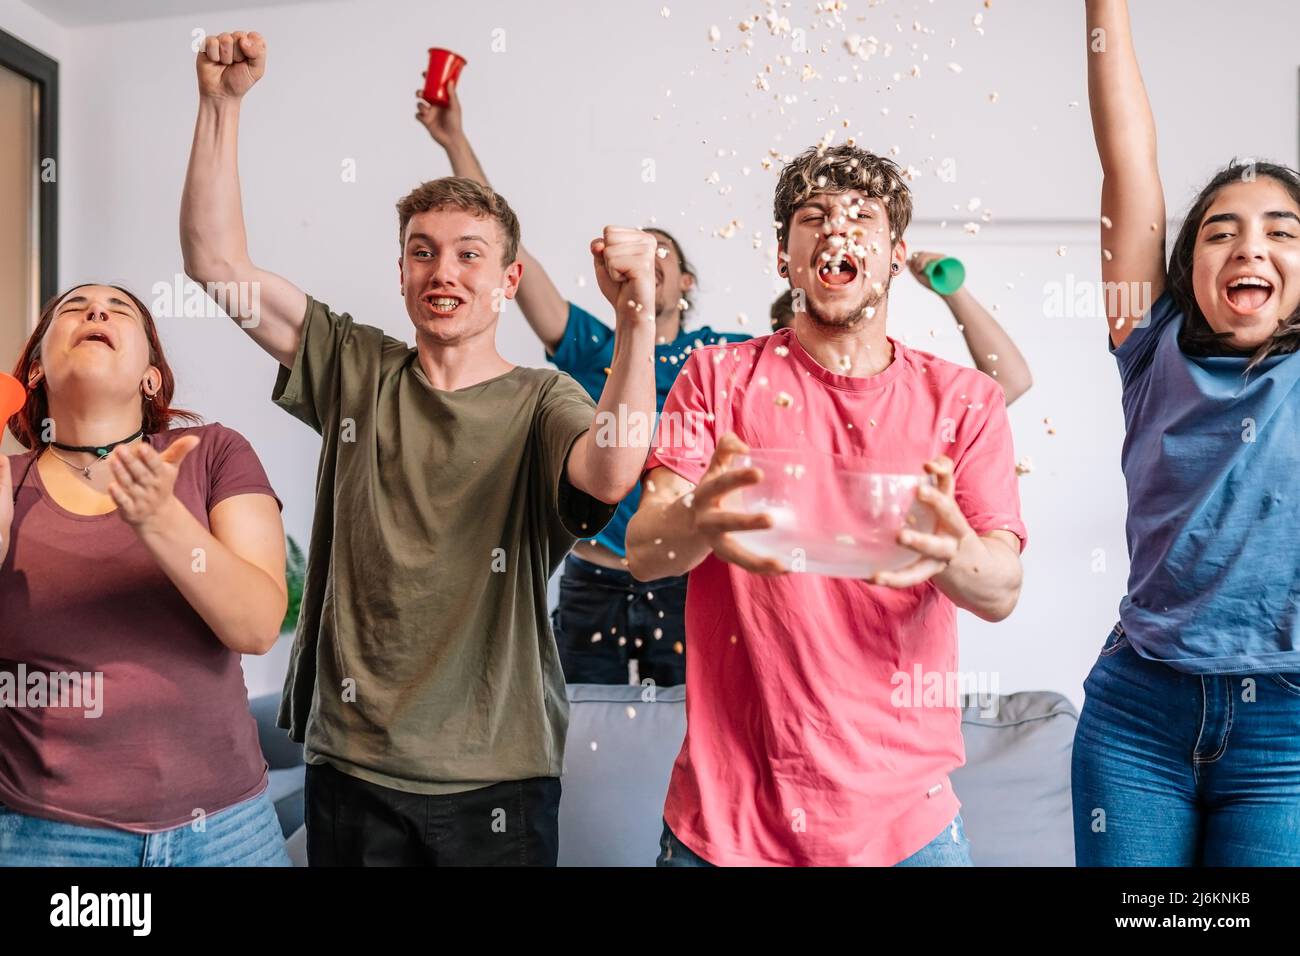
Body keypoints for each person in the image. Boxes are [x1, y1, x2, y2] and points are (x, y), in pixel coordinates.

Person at [182, 31, 656, 866]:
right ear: (401, 271)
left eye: (472, 255)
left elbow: (612, 469)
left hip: (497, 778)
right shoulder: (358, 367)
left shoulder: (545, 400)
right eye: (423, 252)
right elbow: (217, 264)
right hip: (354, 764)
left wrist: (636, 319)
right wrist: (221, 106)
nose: (445, 270)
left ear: (508, 282)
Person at [626, 142, 1027, 866]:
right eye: (814, 216)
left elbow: (1000, 590)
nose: (838, 230)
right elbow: (647, 551)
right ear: (785, 257)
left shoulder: (965, 402)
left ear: (896, 254)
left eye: (863, 216)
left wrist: (951, 550)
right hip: (725, 825)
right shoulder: (714, 376)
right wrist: (699, 520)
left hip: (908, 828)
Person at [418, 82, 749, 687]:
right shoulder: (599, 345)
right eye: (638, 253)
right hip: (593, 577)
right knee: (581, 732)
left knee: (683, 730)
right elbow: (514, 255)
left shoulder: (720, 357)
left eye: (662, 255)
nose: (646, 260)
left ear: (686, 281)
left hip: (681, 577)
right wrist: (455, 141)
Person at [1073, 0, 1300, 866]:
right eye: (1220, 231)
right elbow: (1126, 155)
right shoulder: (1149, 344)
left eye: (1281, 232)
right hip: (1138, 711)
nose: (1249, 247)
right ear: (1186, 264)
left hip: (1287, 728)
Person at [0, 284, 289, 867]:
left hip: (228, 834)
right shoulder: (8, 480)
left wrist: (161, 520)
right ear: (34, 370)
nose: (96, 312)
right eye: (75, 310)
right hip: (47, 840)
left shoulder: (212, 453)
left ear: (151, 378)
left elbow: (257, 626)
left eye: (119, 310)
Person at [771, 254, 1034, 406]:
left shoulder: (907, 401)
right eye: (813, 342)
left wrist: (953, 291)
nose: (834, 356)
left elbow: (1012, 381)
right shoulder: (771, 400)